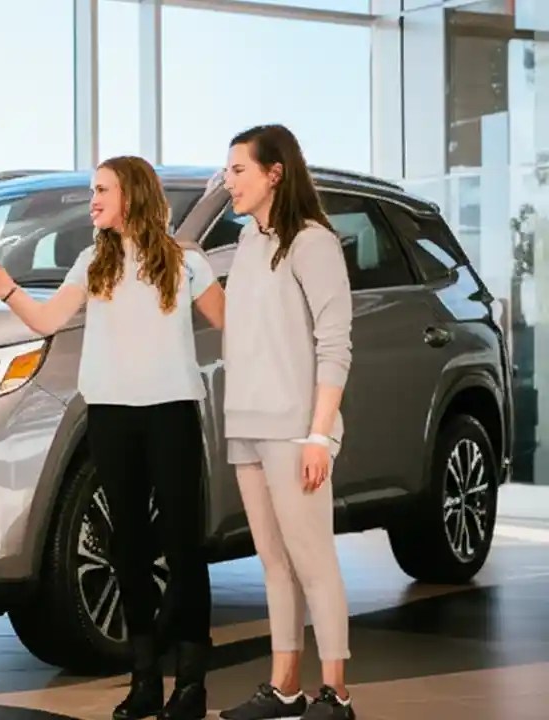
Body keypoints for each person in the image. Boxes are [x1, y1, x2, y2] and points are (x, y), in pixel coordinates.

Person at [0, 155, 225, 720]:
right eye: (94, 190)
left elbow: (231, 323)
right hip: (110, 415)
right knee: (127, 547)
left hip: (172, 413)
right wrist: (5, 287)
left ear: (132, 195)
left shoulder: (187, 261)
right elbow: (46, 321)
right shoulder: (93, 263)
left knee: (184, 548)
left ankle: (191, 686)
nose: (93, 201)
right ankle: (144, 680)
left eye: (102, 190)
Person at [216, 124, 356, 720]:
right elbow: (241, 327)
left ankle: (337, 694)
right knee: (274, 563)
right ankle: (285, 688)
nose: (228, 182)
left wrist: (319, 435)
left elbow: (335, 345)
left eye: (238, 171)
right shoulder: (248, 242)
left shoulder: (313, 243)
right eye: (227, 171)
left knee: (312, 561)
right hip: (246, 422)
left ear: (275, 173)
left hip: (294, 428)